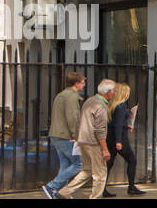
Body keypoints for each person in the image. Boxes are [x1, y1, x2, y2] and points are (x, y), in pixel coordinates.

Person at [58, 79, 115, 199]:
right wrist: (105, 149)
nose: (114, 93)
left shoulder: (89, 101)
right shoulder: (101, 106)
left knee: (87, 170)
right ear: (107, 91)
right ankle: (95, 197)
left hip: (83, 140)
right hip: (94, 142)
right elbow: (100, 130)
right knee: (100, 174)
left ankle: (64, 192)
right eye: (113, 90)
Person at [43, 71, 85, 200]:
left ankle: (62, 192)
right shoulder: (71, 97)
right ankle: (52, 186)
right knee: (79, 164)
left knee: (66, 164)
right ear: (76, 83)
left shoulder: (61, 95)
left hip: (56, 134)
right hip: (66, 135)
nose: (84, 85)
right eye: (83, 82)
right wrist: (76, 135)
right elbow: (73, 118)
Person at [105, 82, 144, 196]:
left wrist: (124, 125)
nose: (129, 94)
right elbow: (117, 124)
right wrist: (118, 141)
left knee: (109, 163)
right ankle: (131, 187)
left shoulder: (111, 105)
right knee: (132, 160)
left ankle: (102, 188)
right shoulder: (121, 106)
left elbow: (114, 123)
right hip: (120, 137)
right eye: (128, 92)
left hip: (110, 137)